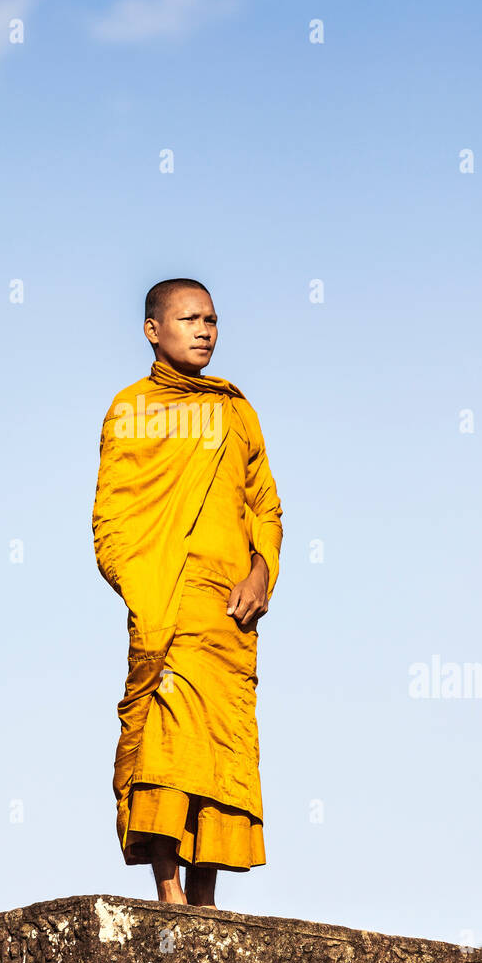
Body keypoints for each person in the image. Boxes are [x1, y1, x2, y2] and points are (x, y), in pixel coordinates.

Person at [92, 279, 283, 908]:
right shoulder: (131, 410)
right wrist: (147, 592)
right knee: (167, 744)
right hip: (166, 605)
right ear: (153, 330)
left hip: (229, 610)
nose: (204, 330)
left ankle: (205, 900)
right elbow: (111, 522)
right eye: (189, 319)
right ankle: (169, 893)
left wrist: (262, 571)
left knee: (219, 749)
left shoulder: (236, 410)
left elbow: (266, 506)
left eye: (212, 319)